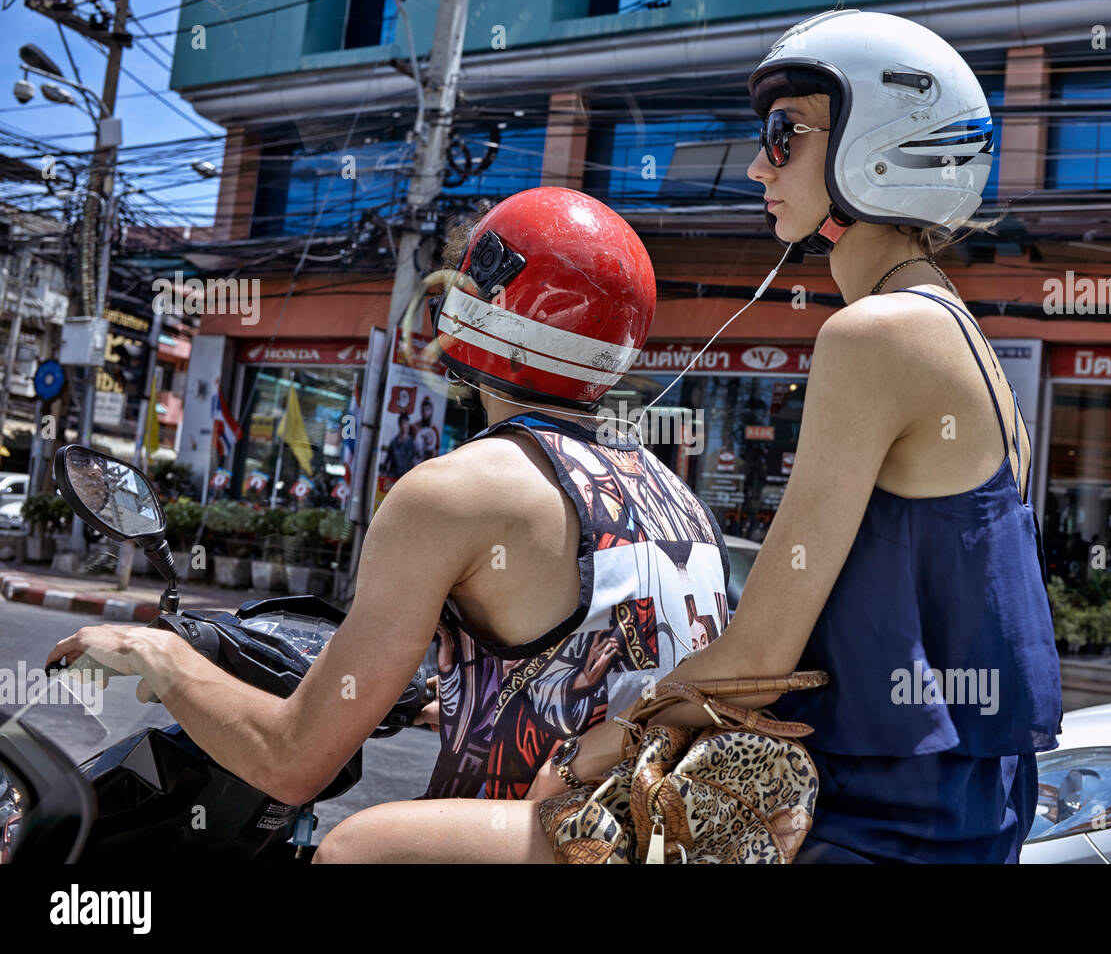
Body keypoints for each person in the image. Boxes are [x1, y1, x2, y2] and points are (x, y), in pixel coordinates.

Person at [308, 8, 1061, 865]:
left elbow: (760, 660)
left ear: (877, 142)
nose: (755, 164)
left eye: (785, 136)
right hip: (953, 812)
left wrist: (598, 742)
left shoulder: (875, 335)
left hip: (870, 822)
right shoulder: (966, 343)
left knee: (366, 845)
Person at [46, 187, 733, 861]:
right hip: (663, 839)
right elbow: (598, 669)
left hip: (550, 844)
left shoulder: (454, 491)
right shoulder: (679, 498)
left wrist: (158, 656)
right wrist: (454, 702)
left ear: (482, 311)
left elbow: (292, 761)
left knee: (351, 848)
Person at [381, 412, 417, 478]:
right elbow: (387, 460)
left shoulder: (412, 444)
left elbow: (413, 461)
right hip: (393, 476)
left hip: (406, 477)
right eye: (402, 423)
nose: (404, 426)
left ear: (408, 424)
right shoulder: (394, 442)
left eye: (405, 423)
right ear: (399, 424)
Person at [412, 395, 440, 461]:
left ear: (431, 411)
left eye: (427, 409)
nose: (425, 412)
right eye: (423, 409)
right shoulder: (415, 426)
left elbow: (436, 450)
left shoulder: (434, 429)